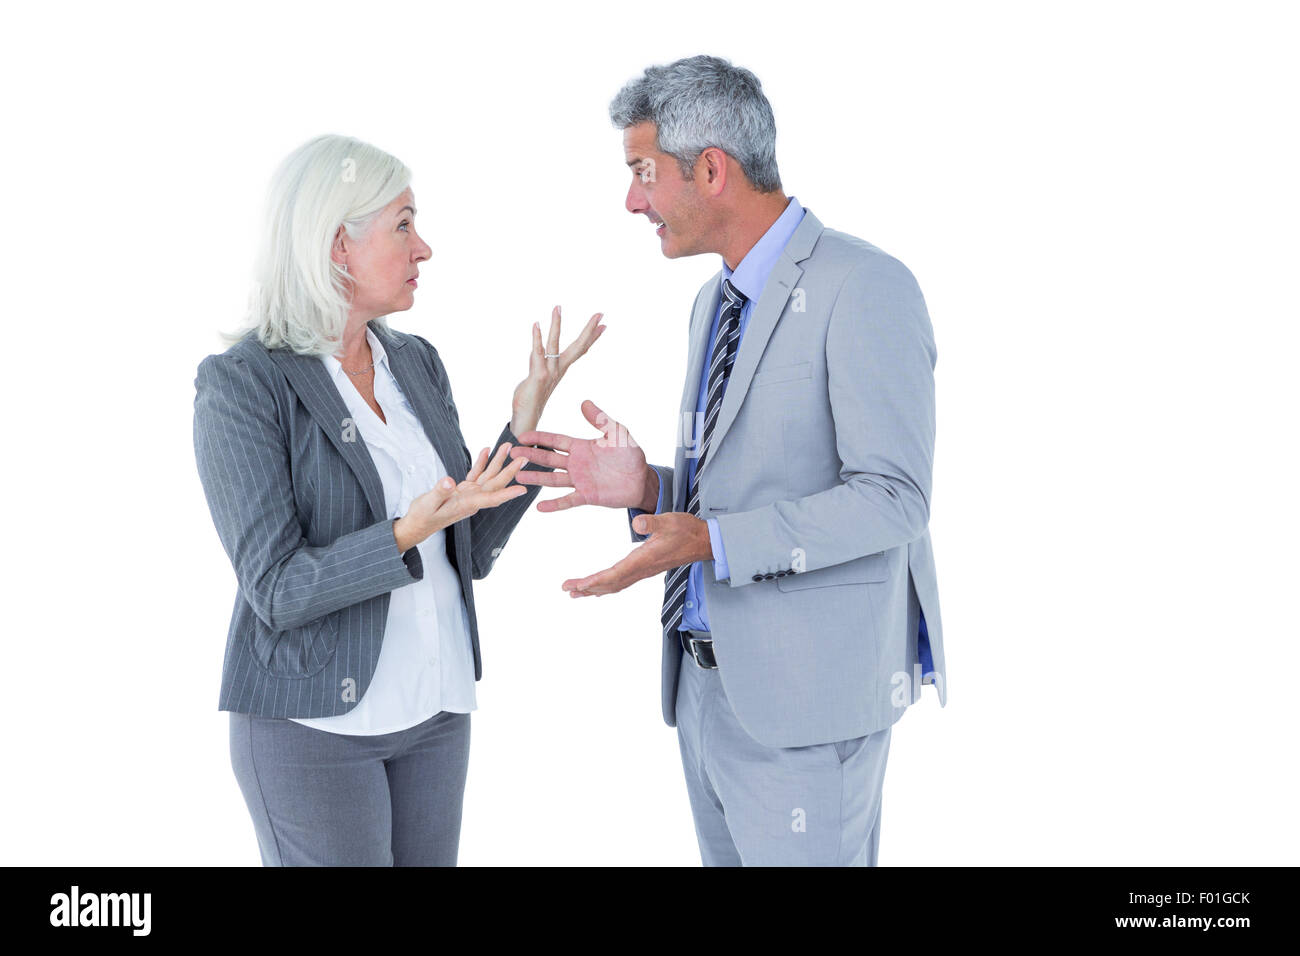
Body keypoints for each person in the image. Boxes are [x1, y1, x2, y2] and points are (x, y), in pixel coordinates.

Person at [510, 55, 946, 866]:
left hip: (807, 710)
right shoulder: (715, 301)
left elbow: (893, 499)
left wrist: (711, 543)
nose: (632, 199)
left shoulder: (866, 287)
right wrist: (647, 487)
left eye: (644, 172)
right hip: (707, 691)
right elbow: (747, 491)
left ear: (711, 169)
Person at [193, 133, 603, 865]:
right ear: (336, 247)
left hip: (436, 710)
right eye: (404, 225)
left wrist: (523, 425)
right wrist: (402, 533)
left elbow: (466, 547)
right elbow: (278, 590)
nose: (425, 249)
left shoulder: (414, 362)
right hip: (313, 727)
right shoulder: (244, 383)